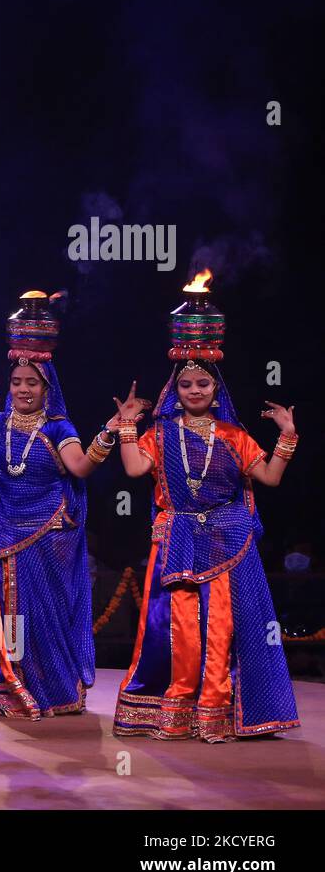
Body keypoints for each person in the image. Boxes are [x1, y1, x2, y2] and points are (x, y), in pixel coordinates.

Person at [113, 273, 300, 742]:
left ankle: (214, 708)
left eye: (203, 384)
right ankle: (175, 707)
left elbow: (271, 478)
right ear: (175, 390)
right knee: (177, 629)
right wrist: (129, 426)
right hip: (176, 539)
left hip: (225, 539)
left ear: (216, 391)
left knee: (220, 628)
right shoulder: (161, 433)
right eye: (187, 385)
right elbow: (134, 470)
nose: (195, 391)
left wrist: (287, 435)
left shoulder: (235, 437)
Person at [0, 291, 113, 719]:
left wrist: (109, 434)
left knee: (42, 617)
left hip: (46, 537)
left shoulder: (58, 426)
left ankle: (52, 691)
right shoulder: (0, 423)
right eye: (17, 382)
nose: (24, 389)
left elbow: (79, 468)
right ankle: (1, 689)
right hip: (1, 532)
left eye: (33, 383)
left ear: (48, 388)